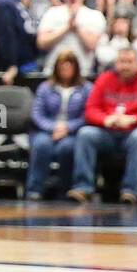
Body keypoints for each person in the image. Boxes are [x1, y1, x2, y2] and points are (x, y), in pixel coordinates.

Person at [69, 45, 137, 204]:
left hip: (133, 132)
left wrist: (133, 119)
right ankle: (83, 188)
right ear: (116, 63)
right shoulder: (104, 79)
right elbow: (91, 109)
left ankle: (130, 190)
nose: (125, 66)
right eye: (122, 62)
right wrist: (106, 119)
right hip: (107, 132)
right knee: (85, 134)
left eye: (129, 62)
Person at [26, 50, 91, 200]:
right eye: (62, 66)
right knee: (41, 145)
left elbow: (86, 115)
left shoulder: (86, 88)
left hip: (72, 132)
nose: (65, 69)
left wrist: (67, 128)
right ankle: (34, 189)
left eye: (69, 66)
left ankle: (66, 189)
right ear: (56, 68)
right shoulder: (45, 87)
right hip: (47, 130)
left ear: (76, 68)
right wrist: (53, 127)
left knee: (67, 148)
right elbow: (37, 114)